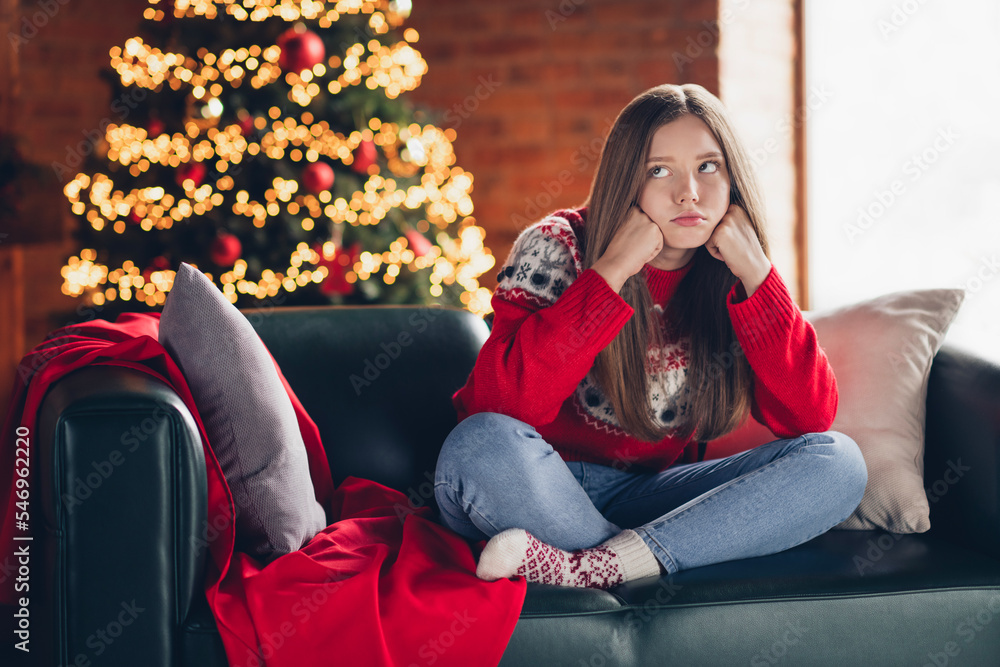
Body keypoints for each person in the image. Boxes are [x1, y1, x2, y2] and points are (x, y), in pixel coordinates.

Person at [433, 83, 868, 590]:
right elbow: (496, 406)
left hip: (646, 496)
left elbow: (808, 416)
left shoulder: (730, 268)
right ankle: (647, 558)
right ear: (627, 182)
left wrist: (758, 276)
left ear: (733, 181)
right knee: (478, 444)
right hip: (533, 482)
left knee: (838, 461)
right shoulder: (556, 244)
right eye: (659, 170)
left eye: (709, 167)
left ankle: (592, 567)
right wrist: (611, 271)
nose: (689, 192)